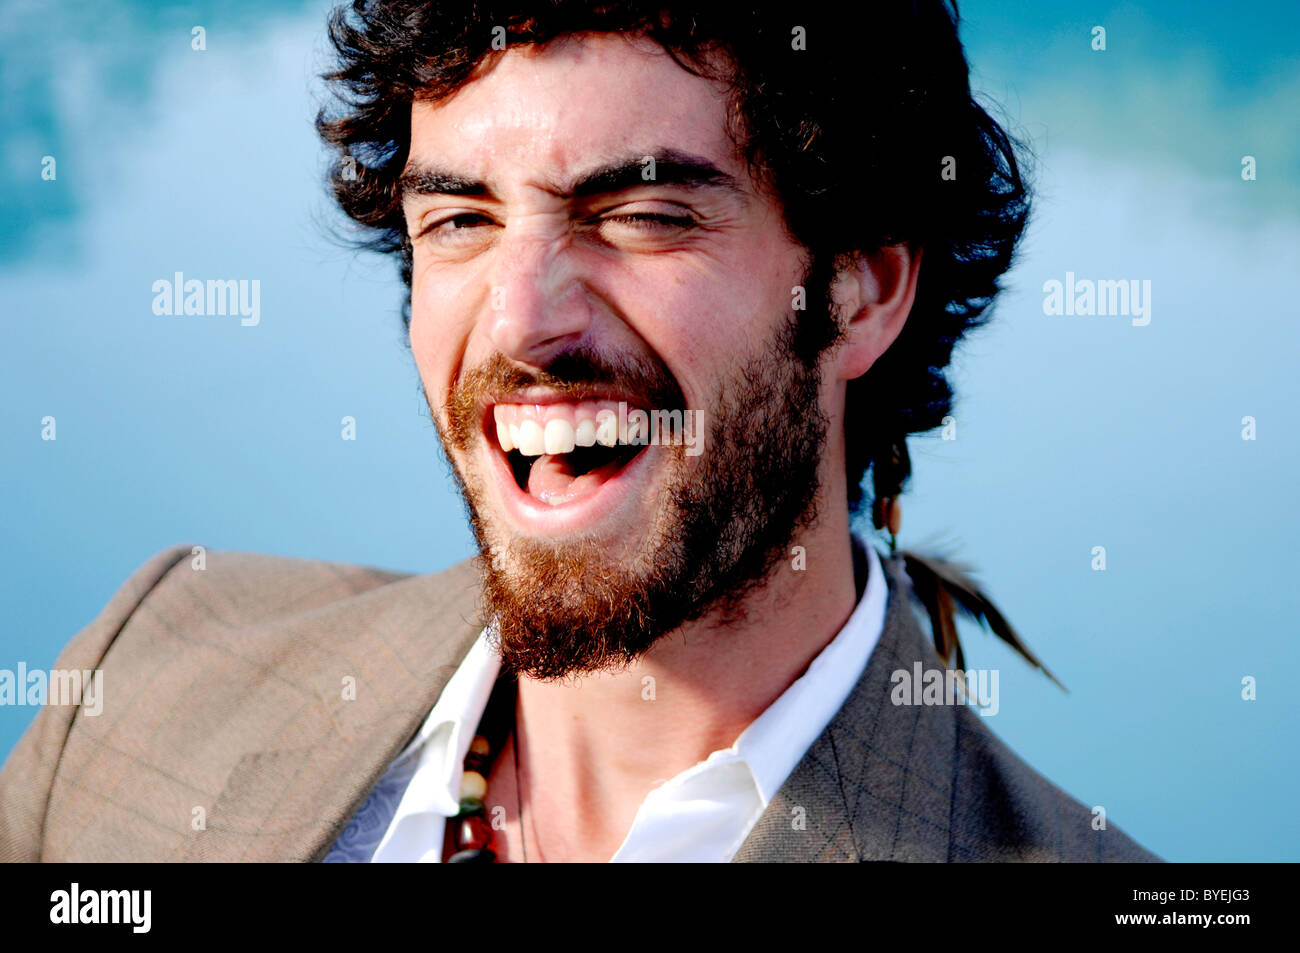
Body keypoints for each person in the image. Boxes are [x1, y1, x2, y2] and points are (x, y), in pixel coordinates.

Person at [0, 0, 1158, 862]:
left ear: (859, 290)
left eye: (643, 216)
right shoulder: (144, 682)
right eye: (459, 218)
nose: (521, 322)